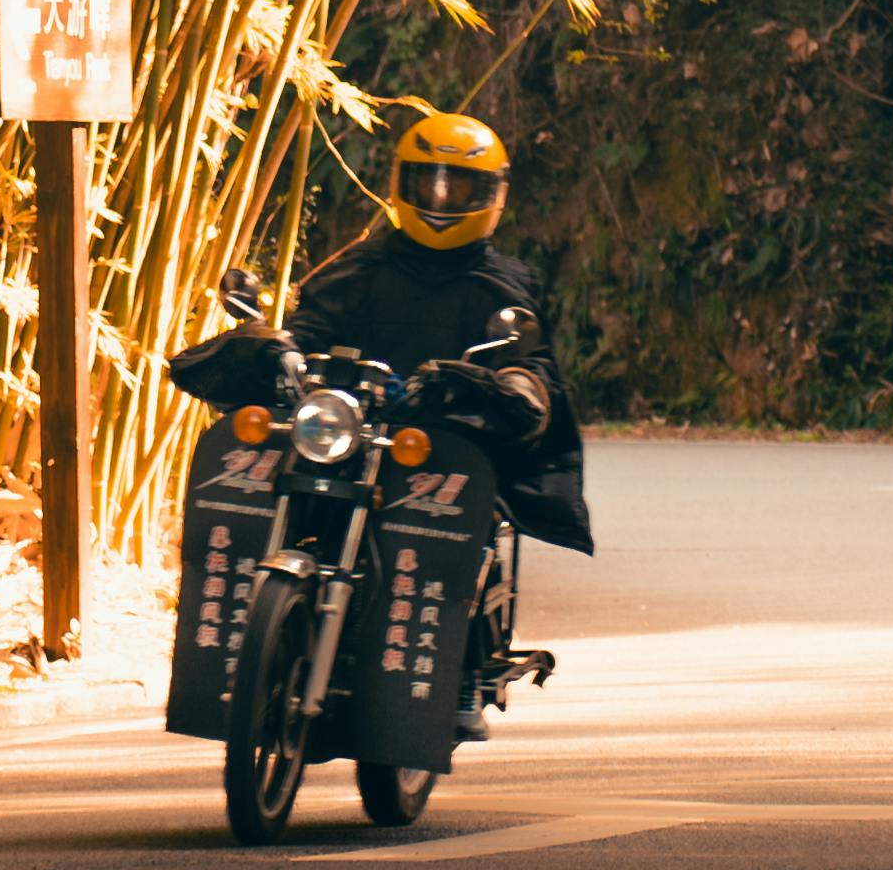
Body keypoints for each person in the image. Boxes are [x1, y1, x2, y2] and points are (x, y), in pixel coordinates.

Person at [171, 111, 593, 561]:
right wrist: (278, 349)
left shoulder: (506, 286)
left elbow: (529, 363)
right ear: (401, 183)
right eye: (428, 183)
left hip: (446, 454)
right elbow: (310, 328)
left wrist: (515, 386)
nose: (441, 198)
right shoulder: (357, 271)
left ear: (493, 194)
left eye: (460, 188)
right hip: (344, 439)